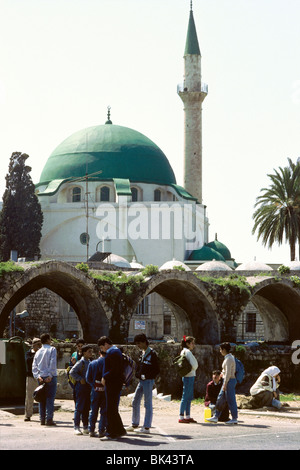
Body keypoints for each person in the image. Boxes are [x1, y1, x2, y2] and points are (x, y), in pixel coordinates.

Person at [126, 334, 160, 434]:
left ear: (145, 342)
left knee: (147, 403)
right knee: (135, 401)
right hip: (141, 381)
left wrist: (148, 376)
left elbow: (156, 369)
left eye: (139, 343)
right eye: (136, 344)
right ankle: (134, 423)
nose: (138, 345)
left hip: (148, 381)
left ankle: (146, 427)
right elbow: (139, 367)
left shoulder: (153, 354)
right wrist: (138, 374)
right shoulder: (142, 353)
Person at [98, 336, 126, 440]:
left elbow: (114, 369)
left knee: (110, 409)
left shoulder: (112, 352)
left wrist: (105, 377)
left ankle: (111, 432)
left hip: (113, 383)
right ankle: (119, 430)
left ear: (105, 344)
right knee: (113, 408)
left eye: (102, 347)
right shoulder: (116, 351)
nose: (102, 350)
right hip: (115, 383)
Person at [206, 342, 238, 425]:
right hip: (227, 380)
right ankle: (216, 416)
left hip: (229, 381)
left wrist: (225, 384)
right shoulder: (228, 358)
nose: (220, 351)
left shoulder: (229, 359)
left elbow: (228, 373)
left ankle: (234, 418)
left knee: (231, 400)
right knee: (220, 399)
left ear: (224, 350)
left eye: (221, 349)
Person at [32, 333, 57, 426]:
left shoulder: (38, 352)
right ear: (47, 340)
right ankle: (49, 419)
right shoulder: (52, 349)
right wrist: (50, 375)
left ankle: (42, 419)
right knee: (50, 398)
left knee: (41, 398)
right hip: (50, 377)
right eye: (50, 339)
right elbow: (52, 363)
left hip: (41, 377)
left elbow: (34, 365)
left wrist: (37, 376)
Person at [70, 344, 93, 435]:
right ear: (84, 353)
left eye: (91, 351)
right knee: (79, 408)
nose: (91, 353)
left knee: (87, 408)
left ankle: (85, 426)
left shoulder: (90, 362)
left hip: (88, 387)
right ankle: (76, 427)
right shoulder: (81, 362)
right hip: (81, 387)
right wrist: (80, 379)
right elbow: (72, 372)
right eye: (89, 352)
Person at [86, 344, 107, 437]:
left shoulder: (92, 363)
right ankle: (101, 430)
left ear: (99, 353)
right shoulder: (108, 363)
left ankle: (91, 430)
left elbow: (87, 378)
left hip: (95, 388)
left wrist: (93, 385)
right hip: (105, 389)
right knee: (103, 411)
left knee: (93, 410)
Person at [178, 335, 198, 423]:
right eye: (192, 343)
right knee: (186, 396)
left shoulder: (183, 351)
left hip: (187, 375)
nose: (193, 345)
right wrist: (195, 367)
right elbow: (194, 365)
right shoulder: (188, 352)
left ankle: (187, 415)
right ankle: (182, 416)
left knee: (188, 396)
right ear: (188, 344)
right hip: (189, 376)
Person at [24, 338, 42, 421]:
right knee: (29, 396)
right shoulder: (28, 353)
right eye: (38, 344)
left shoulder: (42, 353)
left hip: (40, 376)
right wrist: (36, 353)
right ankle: (28, 414)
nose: (39, 346)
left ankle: (42, 415)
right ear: (33, 345)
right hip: (31, 376)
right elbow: (29, 361)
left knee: (42, 396)